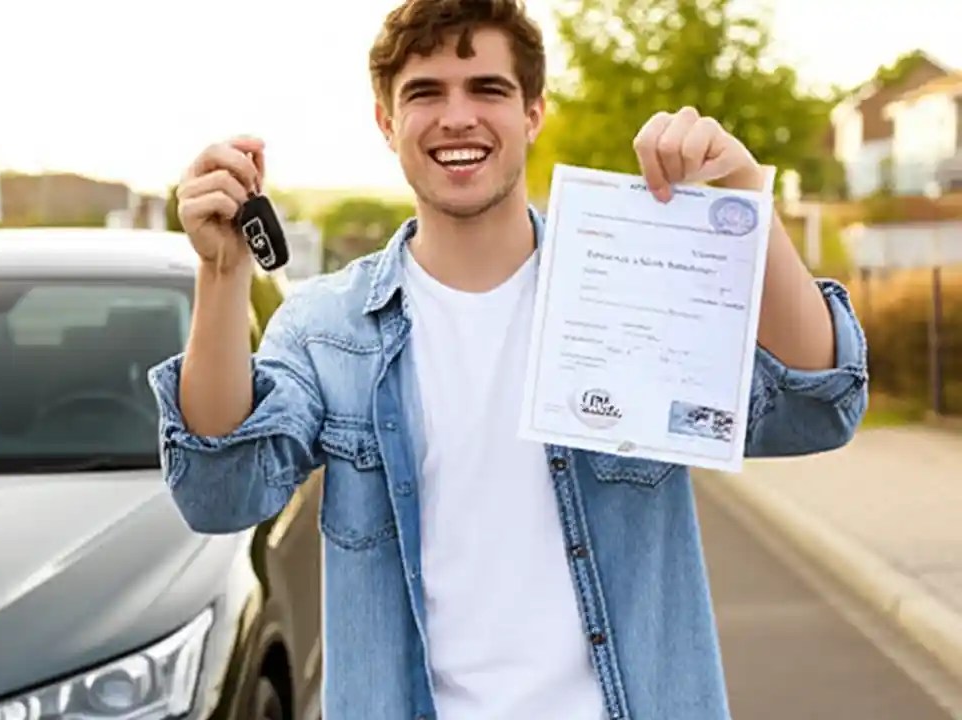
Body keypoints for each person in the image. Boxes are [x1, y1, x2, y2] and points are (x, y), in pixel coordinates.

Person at [149, 0, 869, 717]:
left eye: (487, 89)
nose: (457, 116)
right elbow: (223, 494)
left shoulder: (627, 288)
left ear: (532, 113)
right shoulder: (325, 327)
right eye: (425, 93)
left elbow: (817, 408)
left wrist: (746, 195)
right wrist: (221, 273)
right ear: (385, 123)